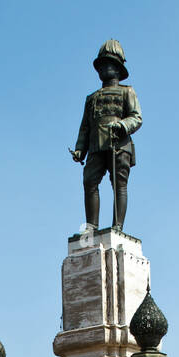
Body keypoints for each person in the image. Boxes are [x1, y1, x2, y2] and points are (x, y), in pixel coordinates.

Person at [72, 40, 142, 232]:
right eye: (101, 65)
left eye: (108, 64)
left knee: (119, 184)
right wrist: (80, 149)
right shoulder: (91, 98)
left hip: (119, 144)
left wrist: (122, 125)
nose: (104, 68)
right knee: (89, 181)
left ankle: (117, 226)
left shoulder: (127, 92)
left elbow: (136, 118)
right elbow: (85, 127)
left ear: (118, 69)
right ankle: (91, 226)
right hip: (96, 144)